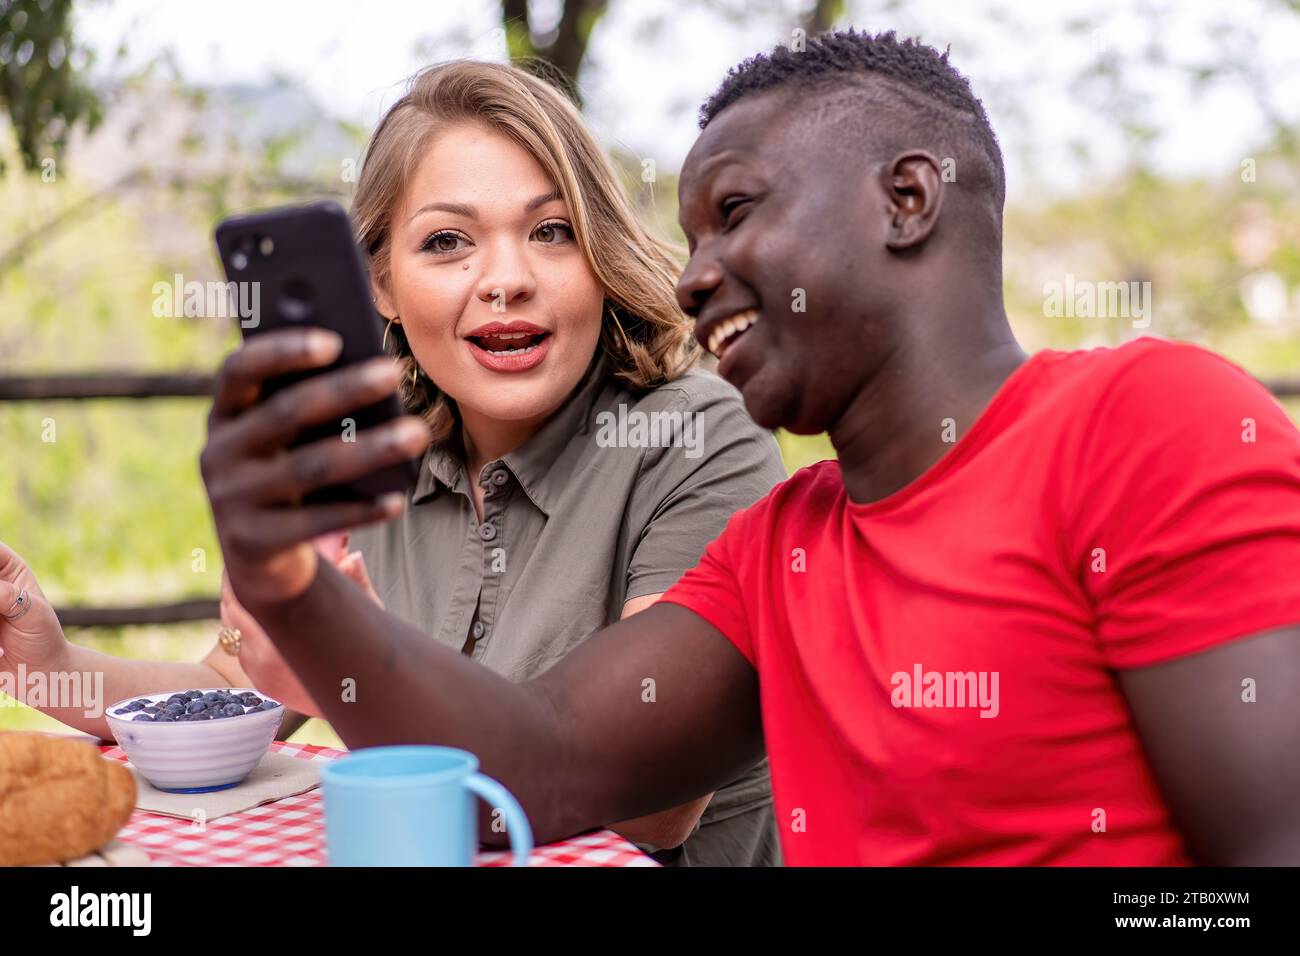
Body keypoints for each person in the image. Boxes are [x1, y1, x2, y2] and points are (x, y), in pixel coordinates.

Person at [199, 30, 1300, 866]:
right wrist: (284, 579)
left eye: (734, 212)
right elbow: (538, 759)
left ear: (907, 198)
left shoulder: (1145, 421)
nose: (690, 275)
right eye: (688, 240)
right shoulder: (782, 545)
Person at [0, 60, 787, 866]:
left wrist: (342, 651)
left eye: (552, 231)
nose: (507, 281)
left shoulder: (699, 439)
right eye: (448, 242)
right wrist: (53, 669)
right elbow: (245, 690)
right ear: (381, 282)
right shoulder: (372, 455)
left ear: (599, 255)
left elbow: (648, 803)